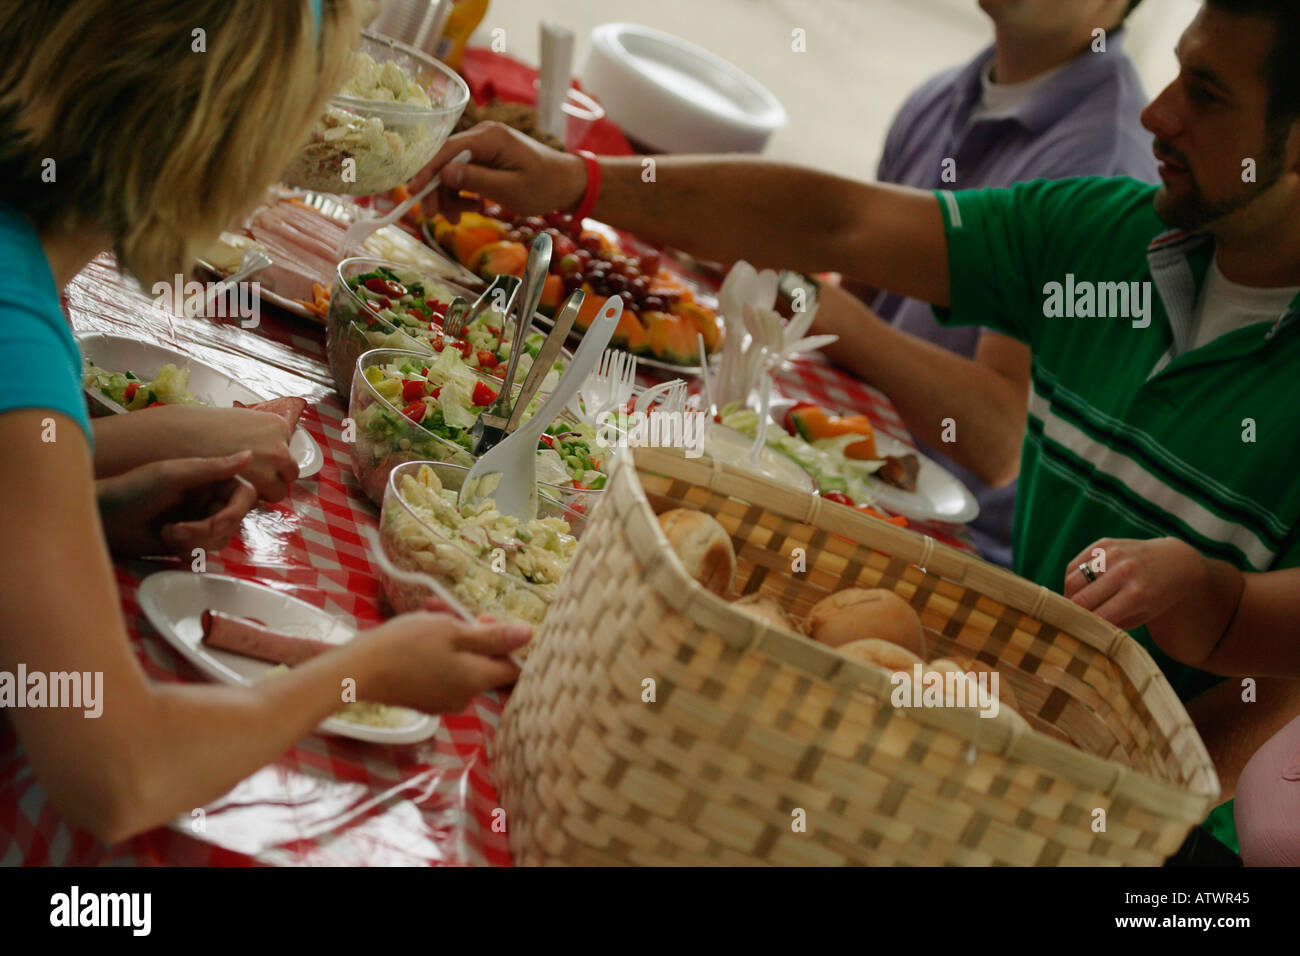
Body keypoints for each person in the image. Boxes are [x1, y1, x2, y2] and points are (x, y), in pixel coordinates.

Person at [416, 0, 1300, 857]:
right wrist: (584, 183)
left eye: (1209, 93)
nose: (1159, 110)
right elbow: (841, 220)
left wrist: (1127, 796)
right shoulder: (1104, 236)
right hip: (985, 737)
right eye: (1177, 70)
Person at [0, 0, 525, 846]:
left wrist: (92, 498)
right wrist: (360, 673)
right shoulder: (15, 321)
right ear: (200, 149)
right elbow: (118, 773)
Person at [813, 0, 1155, 570]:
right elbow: (859, 285)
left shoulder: (1104, 164)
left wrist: (835, 319)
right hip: (851, 468)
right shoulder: (949, 93)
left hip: (952, 555)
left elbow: (999, 439)